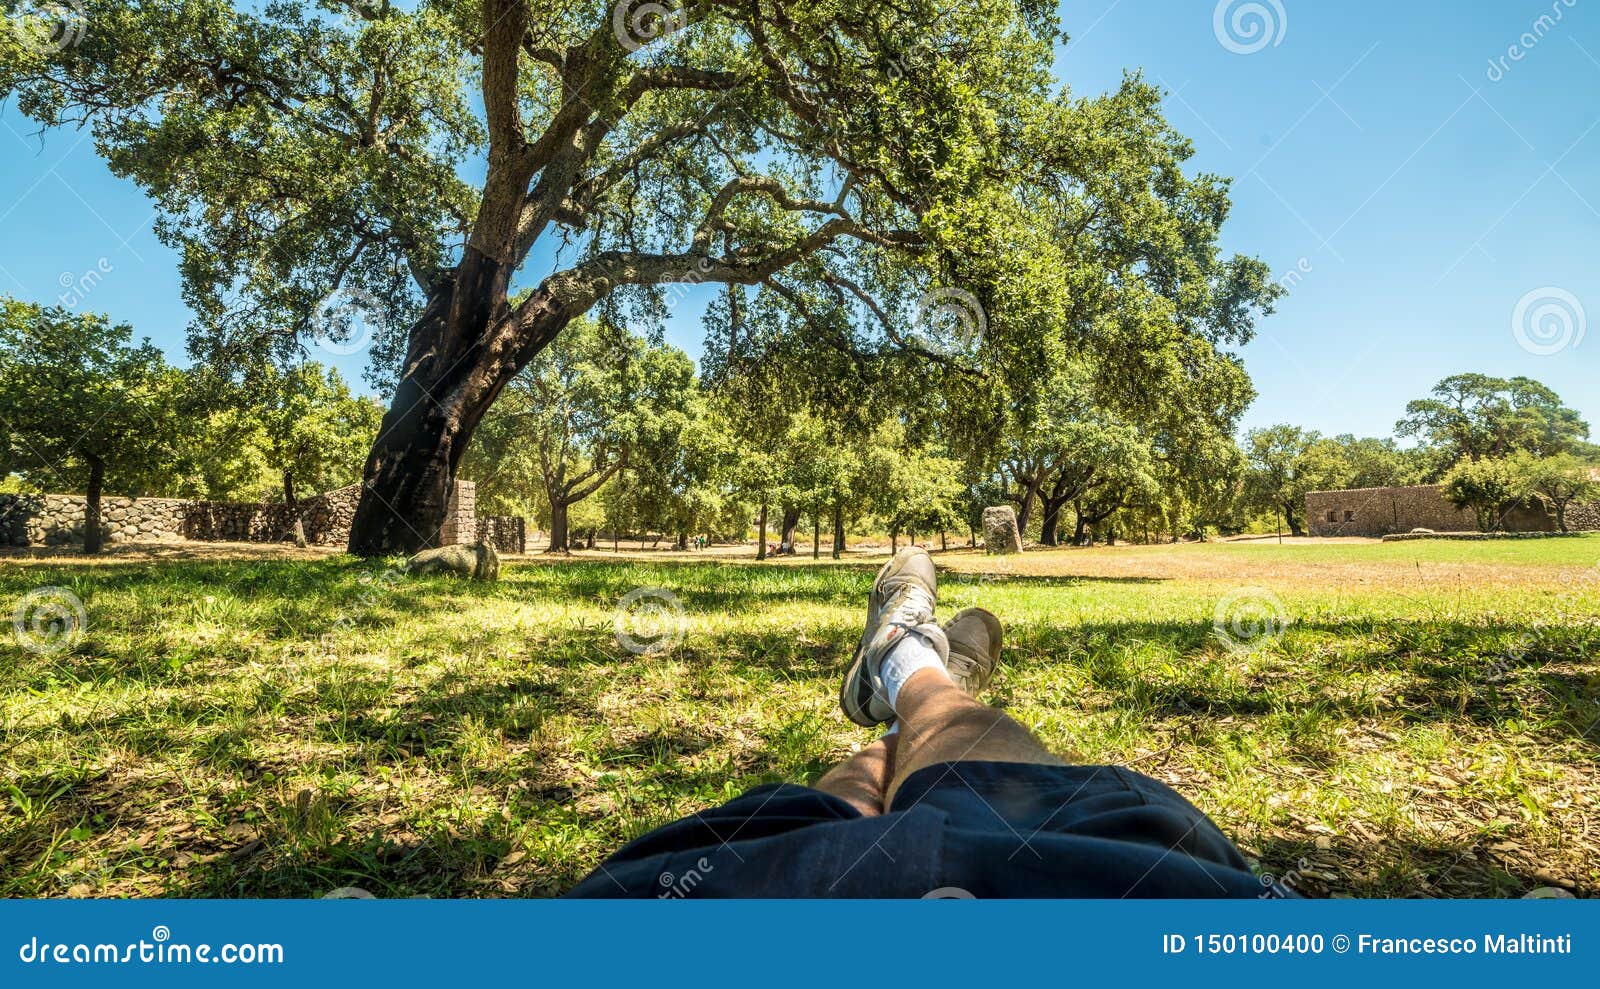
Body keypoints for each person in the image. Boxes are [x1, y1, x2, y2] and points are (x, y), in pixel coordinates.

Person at [566, 547, 1274, 898]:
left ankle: (902, 664)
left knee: (813, 822)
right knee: (1003, 790)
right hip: (1121, 886)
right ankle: (920, 674)